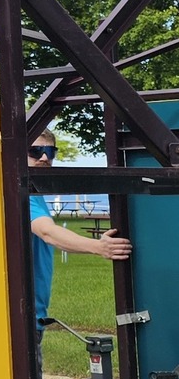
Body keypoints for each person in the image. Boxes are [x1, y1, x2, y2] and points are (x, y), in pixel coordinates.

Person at [29, 128, 131, 366]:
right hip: (23, 320)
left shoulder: (33, 191)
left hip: (31, 316)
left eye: (49, 151)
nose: (44, 158)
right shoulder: (24, 193)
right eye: (35, 151)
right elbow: (47, 232)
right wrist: (99, 247)